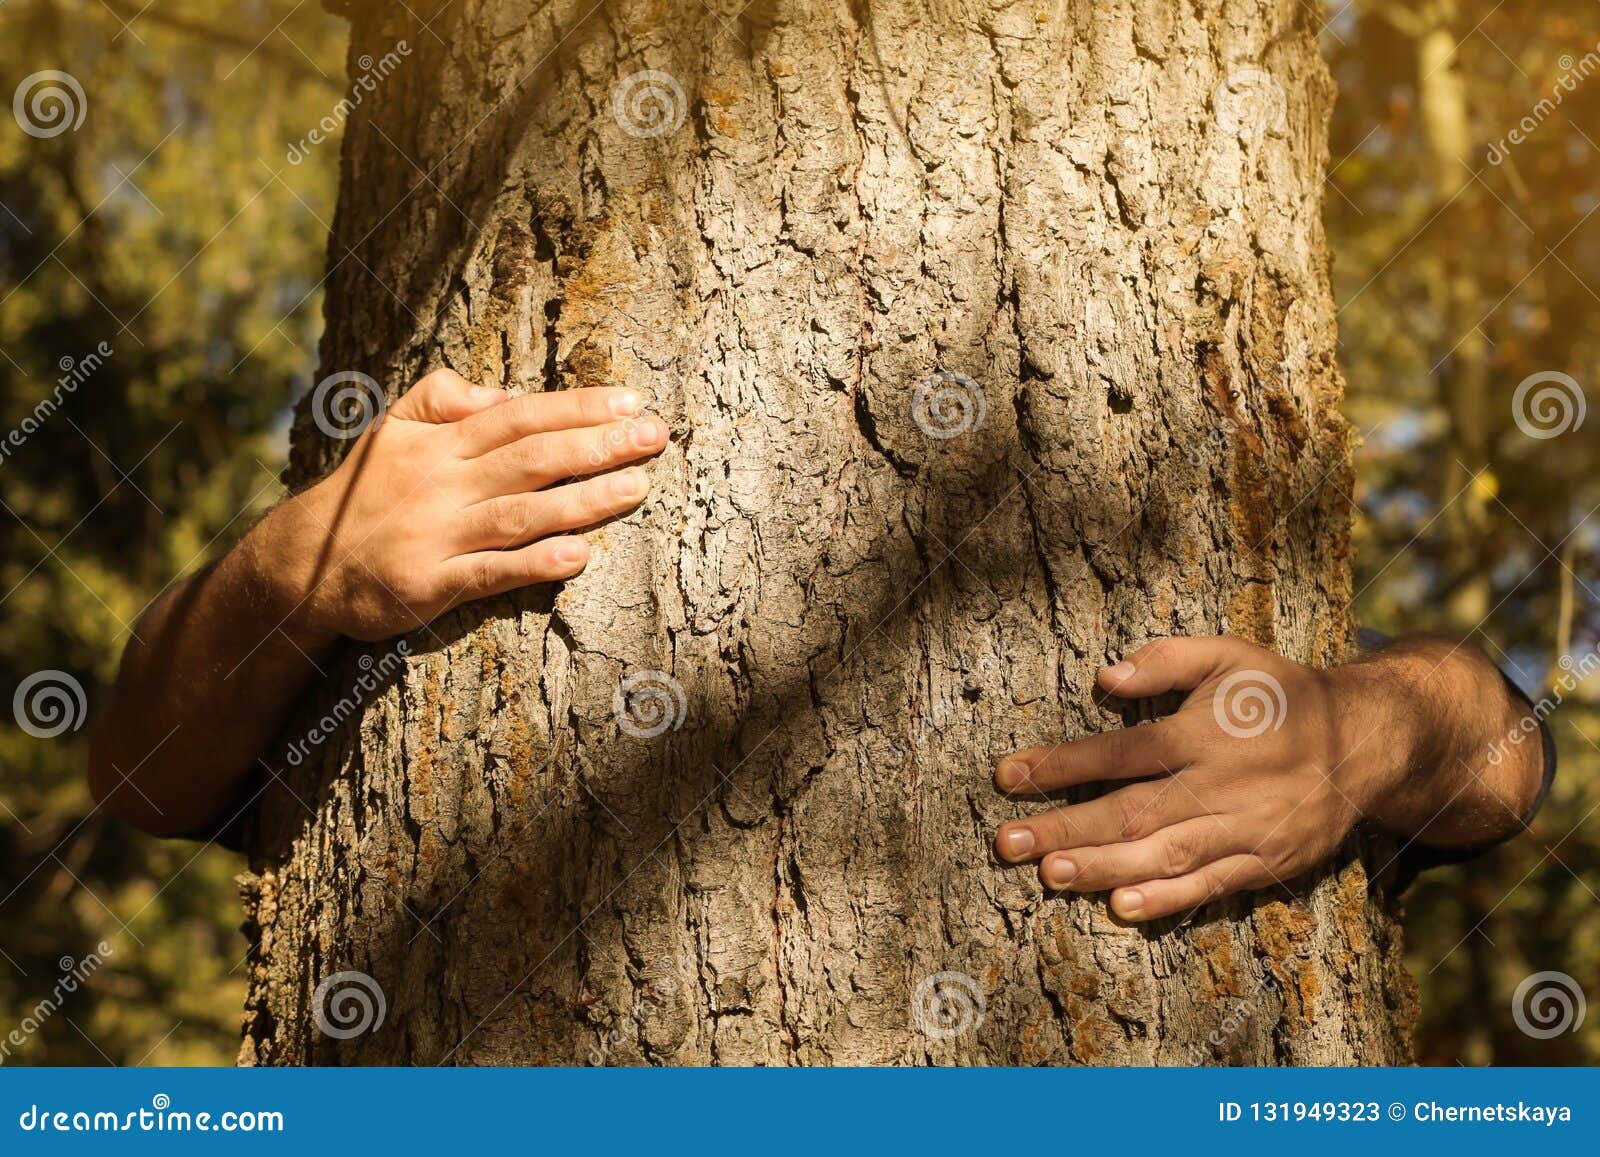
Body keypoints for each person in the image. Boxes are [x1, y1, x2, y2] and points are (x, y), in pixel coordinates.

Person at [88, 369, 1555, 924]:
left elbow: (1503, 751)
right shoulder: (398, 464)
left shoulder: (1245, 597)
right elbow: (138, 772)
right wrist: (291, 565)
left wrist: (1366, 729)